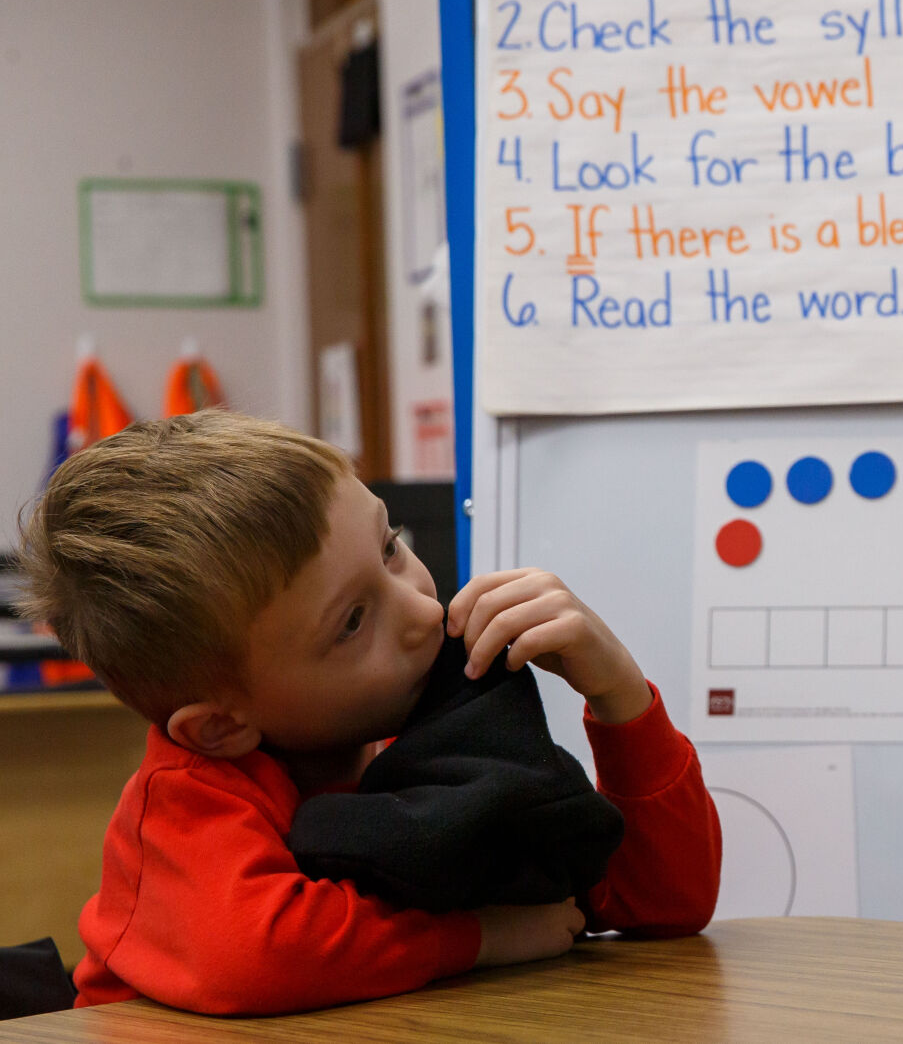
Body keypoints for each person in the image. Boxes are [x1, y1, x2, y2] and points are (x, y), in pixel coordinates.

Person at [16, 411, 721, 1014]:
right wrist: (479, 937)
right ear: (221, 726)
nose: (421, 609)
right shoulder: (187, 797)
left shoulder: (438, 726)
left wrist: (620, 695)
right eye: (352, 622)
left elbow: (660, 905)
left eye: (391, 548)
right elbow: (255, 955)